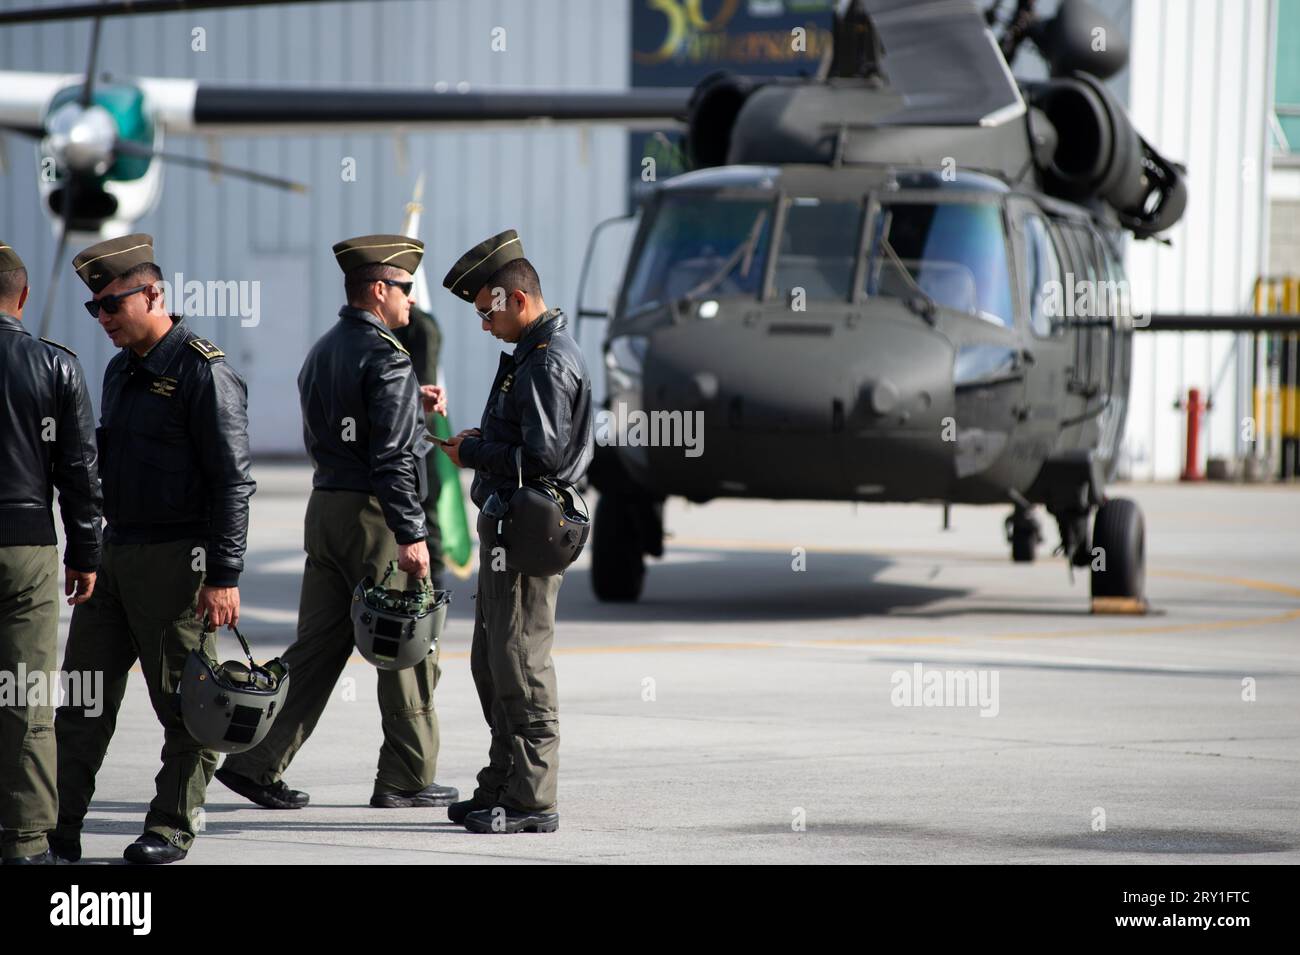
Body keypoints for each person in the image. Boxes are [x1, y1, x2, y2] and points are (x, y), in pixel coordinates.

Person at [215, 234, 458, 812]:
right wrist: (412, 533)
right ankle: (406, 775)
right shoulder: (389, 358)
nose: (410, 304)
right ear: (379, 290)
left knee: (317, 647)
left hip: (325, 509)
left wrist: (406, 407)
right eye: (404, 290)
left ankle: (255, 762)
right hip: (376, 518)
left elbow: (351, 430)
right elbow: (393, 460)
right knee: (406, 647)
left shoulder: (323, 351)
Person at [52, 234, 255, 865]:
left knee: (188, 708)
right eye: (95, 310)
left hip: (180, 563)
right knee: (83, 698)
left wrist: (222, 574)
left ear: (154, 294)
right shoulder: (119, 371)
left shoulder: (202, 369)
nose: (104, 319)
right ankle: (53, 829)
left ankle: (171, 826)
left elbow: (232, 481)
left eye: (112, 305)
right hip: (117, 557)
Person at [439, 229, 593, 833]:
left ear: (515, 300)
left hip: (528, 532)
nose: (483, 325)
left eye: (485, 312)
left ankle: (532, 800)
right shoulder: (533, 355)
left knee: (521, 663)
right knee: (494, 659)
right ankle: (500, 782)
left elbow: (544, 458)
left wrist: (477, 449)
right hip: (510, 528)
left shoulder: (549, 361)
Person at [0, 241, 102, 865]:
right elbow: (80, 471)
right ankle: (26, 838)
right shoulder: (54, 365)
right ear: (25, 296)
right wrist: (85, 554)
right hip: (28, 544)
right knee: (25, 693)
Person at [393, 303, 444, 587]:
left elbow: (425, 381)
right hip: (405, 428)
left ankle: (431, 586)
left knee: (426, 507)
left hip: (420, 429)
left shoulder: (420, 327)